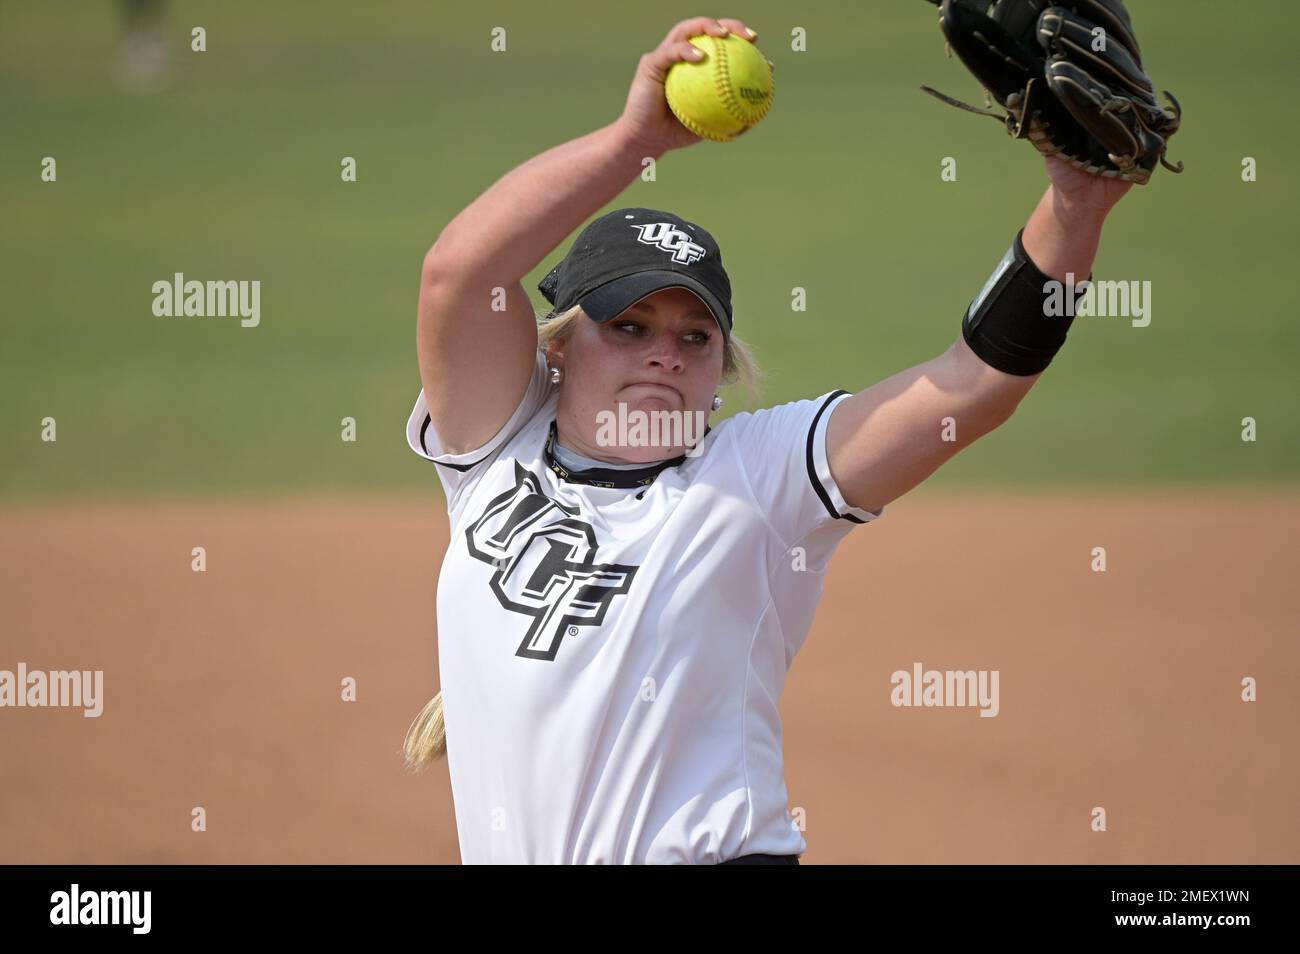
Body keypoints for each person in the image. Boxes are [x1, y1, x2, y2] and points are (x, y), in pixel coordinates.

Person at [401, 16, 1131, 864]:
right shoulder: (497, 451)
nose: (664, 353)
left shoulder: (758, 476)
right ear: (558, 346)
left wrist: (1076, 205)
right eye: (628, 325)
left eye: (695, 336)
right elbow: (460, 274)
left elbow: (973, 385)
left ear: (722, 366)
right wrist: (634, 141)